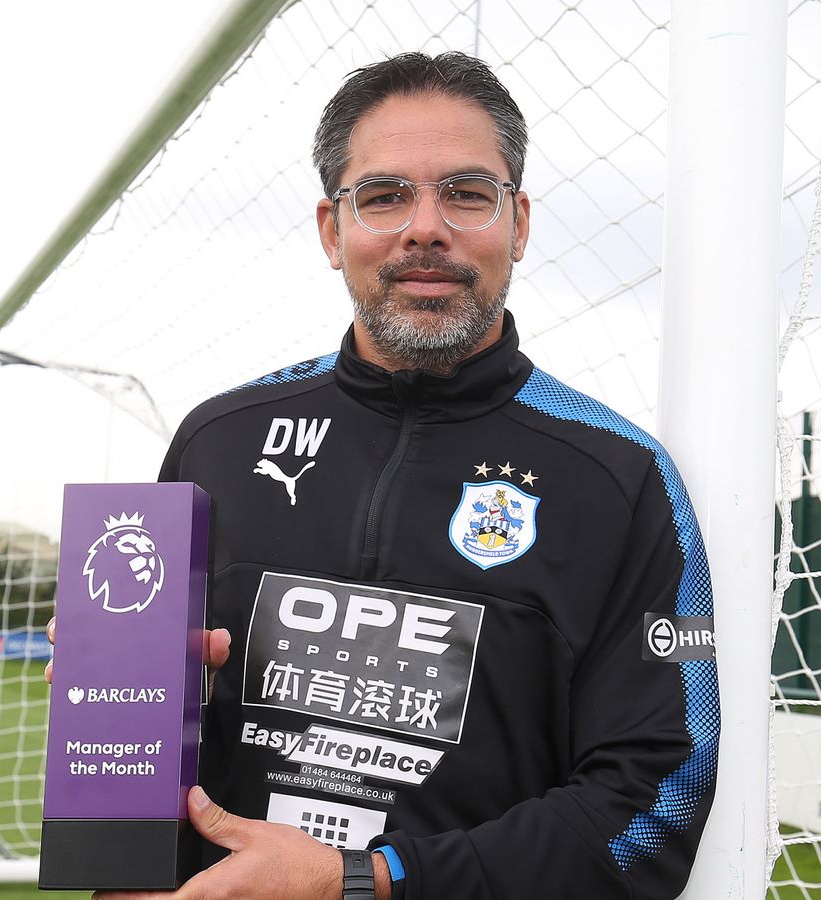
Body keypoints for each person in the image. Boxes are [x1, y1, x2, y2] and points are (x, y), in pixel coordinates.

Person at [53, 51, 718, 900]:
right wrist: (115, 695)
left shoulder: (621, 477)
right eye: (385, 195)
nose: (425, 228)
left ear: (518, 222)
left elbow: (655, 801)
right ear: (333, 231)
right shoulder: (217, 439)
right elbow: (136, 742)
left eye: (467, 194)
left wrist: (367, 882)